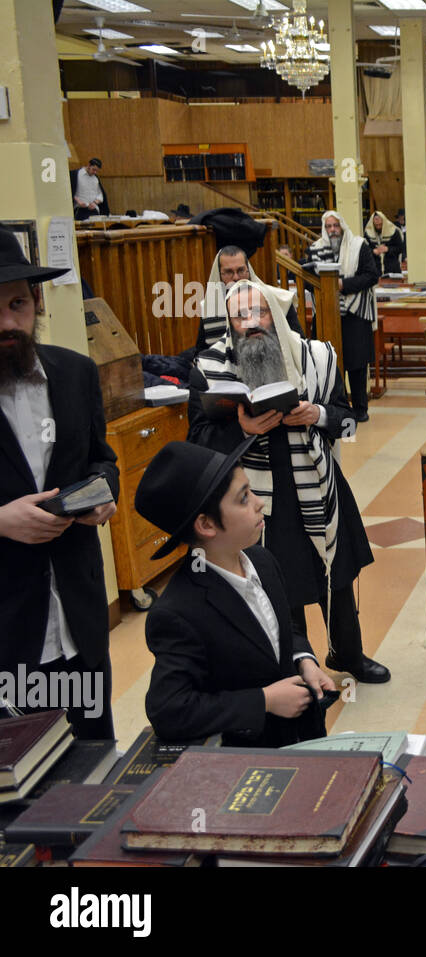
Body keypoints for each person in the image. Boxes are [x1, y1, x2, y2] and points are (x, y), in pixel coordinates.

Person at [188, 279, 389, 685]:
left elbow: (349, 421)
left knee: (337, 574)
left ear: (276, 314)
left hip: (317, 487)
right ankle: (300, 668)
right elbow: (196, 441)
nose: (252, 323)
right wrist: (241, 429)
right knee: (280, 585)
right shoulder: (210, 368)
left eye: (260, 312)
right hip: (257, 498)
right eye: (240, 316)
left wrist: (318, 415)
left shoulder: (318, 357)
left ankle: (348, 654)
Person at [135, 440, 335, 747]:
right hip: (248, 763)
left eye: (252, 491)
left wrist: (303, 660)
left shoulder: (262, 561)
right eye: (243, 499)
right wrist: (263, 700)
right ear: (206, 524)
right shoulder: (178, 612)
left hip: (301, 742)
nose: (259, 502)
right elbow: (170, 711)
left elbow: (283, 628)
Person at [0, 227, 119, 739]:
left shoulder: (75, 374)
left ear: (37, 301)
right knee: (21, 787)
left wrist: (100, 493)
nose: (7, 322)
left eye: (17, 304)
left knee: (92, 774)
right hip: (9, 635)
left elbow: (100, 458)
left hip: (79, 619)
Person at [306, 211, 378, 422]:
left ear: (342, 226)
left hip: (355, 314)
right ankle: (335, 409)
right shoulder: (315, 249)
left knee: (356, 365)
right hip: (327, 314)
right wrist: (327, 287)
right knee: (327, 363)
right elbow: (307, 278)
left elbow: (371, 275)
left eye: (335, 225)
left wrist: (342, 285)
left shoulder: (359, 246)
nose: (332, 230)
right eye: (328, 226)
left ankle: (359, 410)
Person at [195, 245, 301, 356]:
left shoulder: (278, 300)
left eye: (241, 271)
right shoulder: (211, 309)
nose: (236, 277)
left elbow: (298, 343)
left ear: (248, 271)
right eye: (228, 272)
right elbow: (202, 352)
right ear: (219, 276)